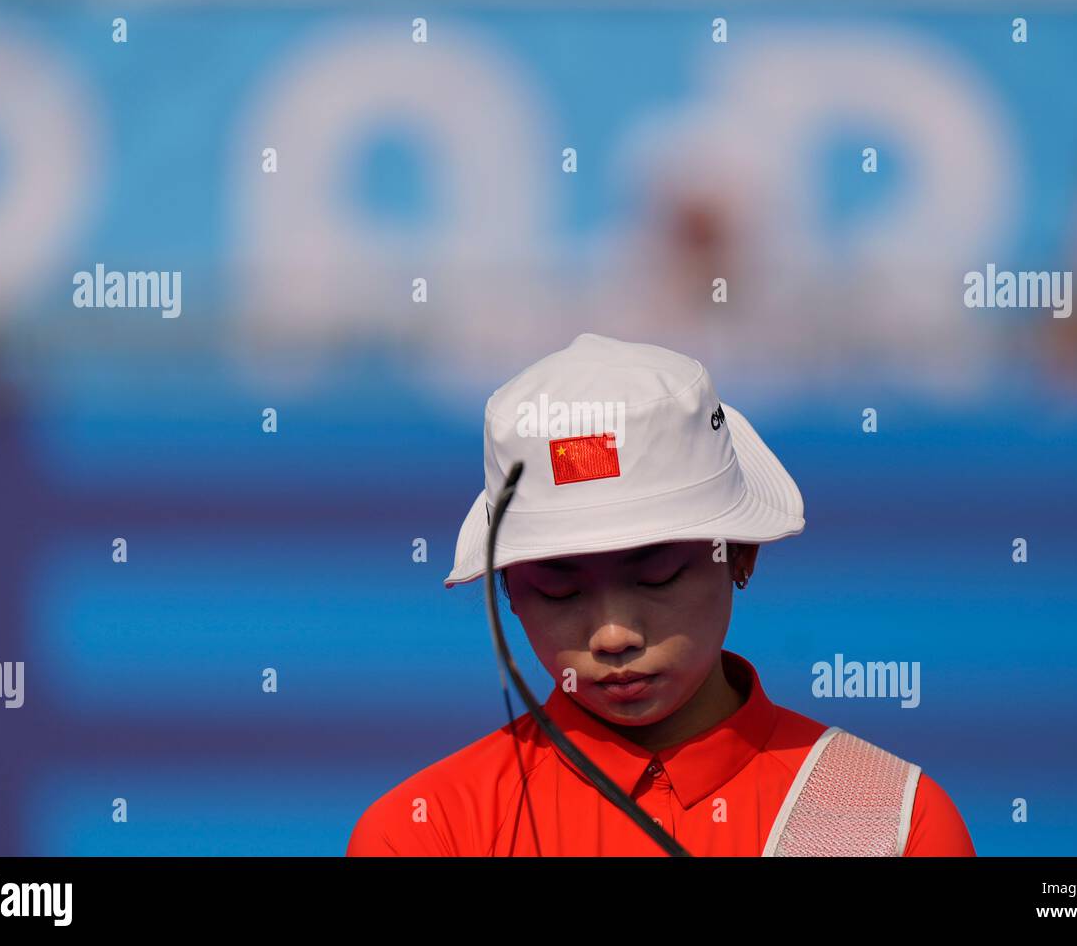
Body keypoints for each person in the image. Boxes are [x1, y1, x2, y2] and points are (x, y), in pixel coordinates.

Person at [347, 333, 975, 856]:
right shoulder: (428, 834)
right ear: (508, 590)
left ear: (741, 553)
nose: (613, 635)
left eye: (657, 577)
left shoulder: (885, 825)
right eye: (560, 590)